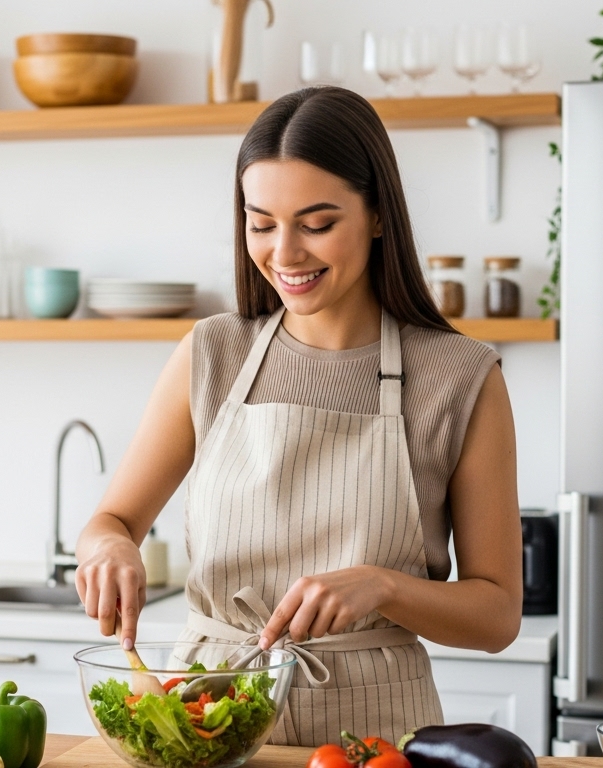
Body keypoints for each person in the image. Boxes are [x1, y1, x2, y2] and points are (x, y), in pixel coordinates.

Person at [72, 86, 522, 745]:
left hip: (375, 738)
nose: (284, 253)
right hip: (206, 724)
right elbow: (110, 522)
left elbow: (497, 614)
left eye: (316, 224)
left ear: (376, 215)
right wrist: (109, 546)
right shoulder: (213, 352)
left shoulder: (460, 378)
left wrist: (383, 588)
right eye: (261, 223)